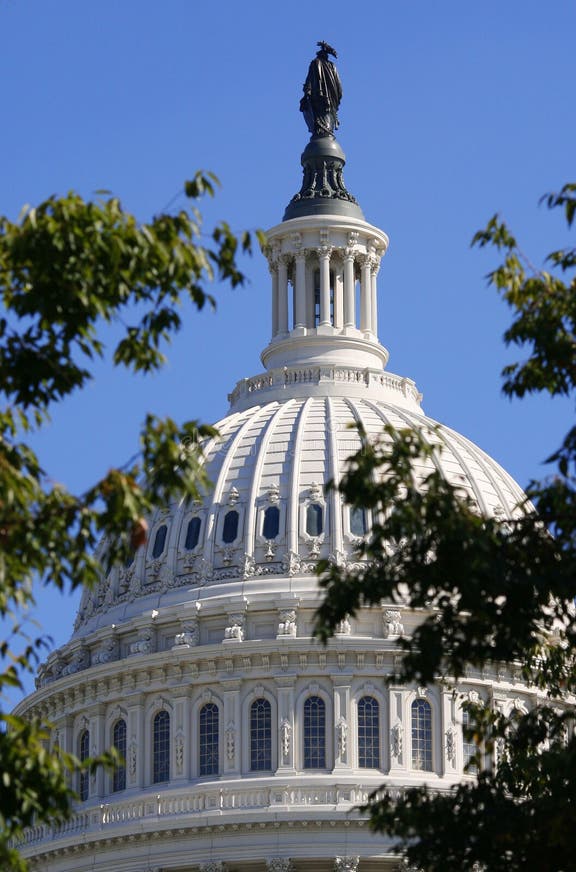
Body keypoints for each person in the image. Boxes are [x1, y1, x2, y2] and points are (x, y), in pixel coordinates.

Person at [300, 41, 342, 137]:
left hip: (319, 98)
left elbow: (309, 80)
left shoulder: (315, 63)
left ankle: (322, 131)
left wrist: (307, 92)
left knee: (321, 122)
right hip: (330, 101)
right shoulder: (332, 66)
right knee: (326, 121)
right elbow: (339, 88)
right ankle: (324, 131)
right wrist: (336, 99)